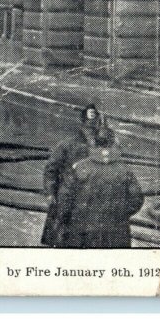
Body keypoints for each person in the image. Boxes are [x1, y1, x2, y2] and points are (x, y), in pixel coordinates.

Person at [60, 129, 144, 248]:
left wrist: (72, 218)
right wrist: (119, 215)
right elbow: (137, 200)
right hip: (117, 231)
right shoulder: (125, 170)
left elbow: (64, 198)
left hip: (83, 231)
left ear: (93, 142)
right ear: (113, 143)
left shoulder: (80, 167)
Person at [41, 103, 105, 247]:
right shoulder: (67, 145)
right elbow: (51, 170)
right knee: (62, 241)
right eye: (89, 127)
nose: (92, 131)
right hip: (68, 200)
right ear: (82, 125)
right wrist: (50, 193)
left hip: (92, 202)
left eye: (95, 127)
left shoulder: (104, 149)